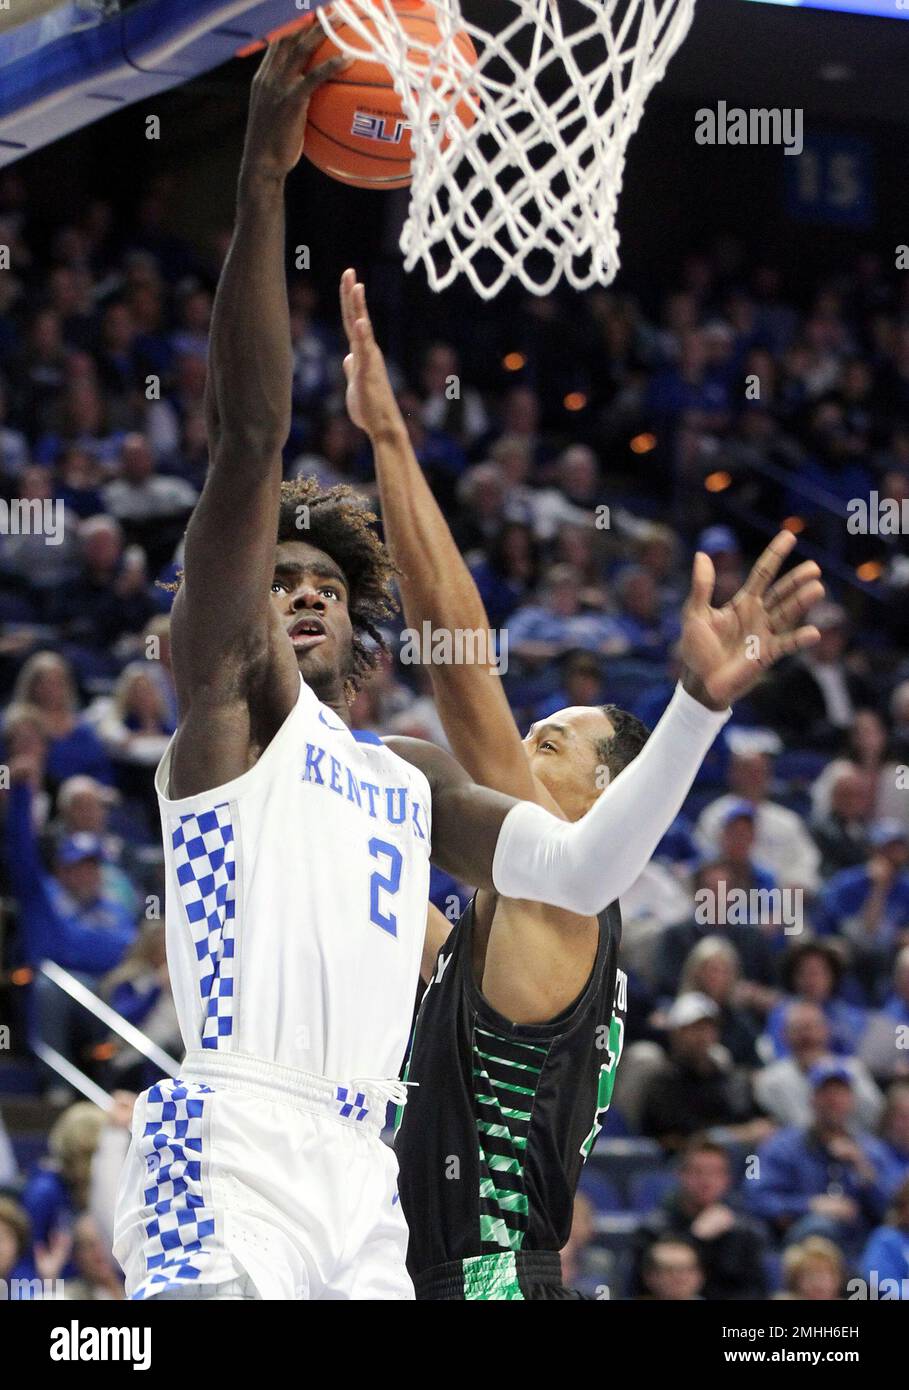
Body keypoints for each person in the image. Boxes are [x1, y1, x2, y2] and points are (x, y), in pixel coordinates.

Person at [111, 34, 763, 1305]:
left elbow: (580, 868)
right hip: (236, 1136)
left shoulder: (409, 784)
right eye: (279, 574)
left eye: (327, 583)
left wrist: (693, 709)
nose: (300, 587)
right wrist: (259, 179)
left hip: (367, 1182)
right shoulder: (233, 716)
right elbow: (248, 441)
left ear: (360, 629)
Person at [342, 277, 824, 1297]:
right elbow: (403, 928)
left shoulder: (563, 906)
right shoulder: (508, 925)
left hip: (488, 1281)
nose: (523, 745)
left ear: (602, 793)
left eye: (551, 744)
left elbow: (460, 660)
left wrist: (390, 440)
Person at [635, 1138, 769, 1300]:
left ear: (727, 1179)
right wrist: (696, 1237)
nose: (706, 1180)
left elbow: (756, 1292)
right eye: (697, 1171)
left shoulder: (744, 1232)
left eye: (715, 1172)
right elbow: (640, 1289)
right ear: (680, 1175)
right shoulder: (653, 1230)